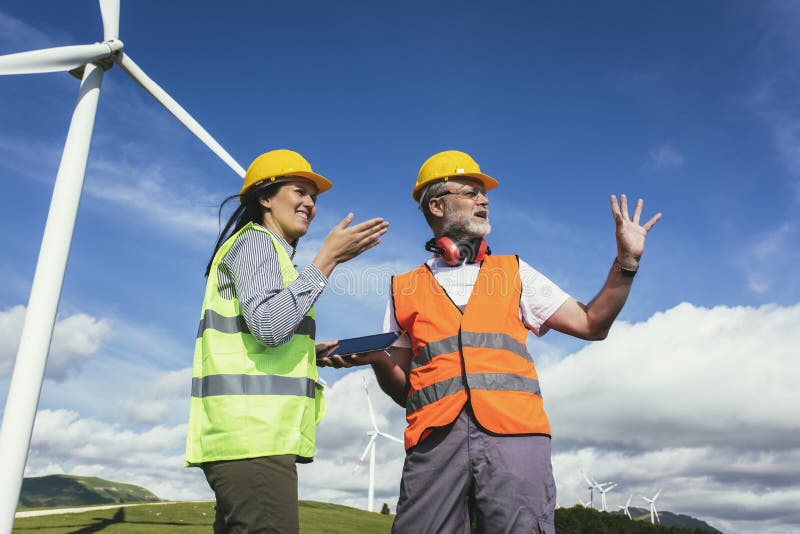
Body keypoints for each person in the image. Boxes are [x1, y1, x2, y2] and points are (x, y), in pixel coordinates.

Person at [319, 150, 661, 533]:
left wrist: (626, 262)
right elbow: (406, 392)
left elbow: (591, 323)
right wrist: (379, 360)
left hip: (516, 438)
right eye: (470, 192)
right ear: (436, 205)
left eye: (484, 194)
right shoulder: (404, 287)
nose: (484, 200)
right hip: (434, 442)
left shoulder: (515, 272)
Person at [185, 148, 389, 533]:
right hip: (253, 438)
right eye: (299, 191)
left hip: (246, 438)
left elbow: (260, 332)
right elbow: (269, 325)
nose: (310, 203)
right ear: (265, 198)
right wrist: (327, 260)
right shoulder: (257, 243)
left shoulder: (266, 252)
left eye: (313, 197)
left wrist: (309, 351)